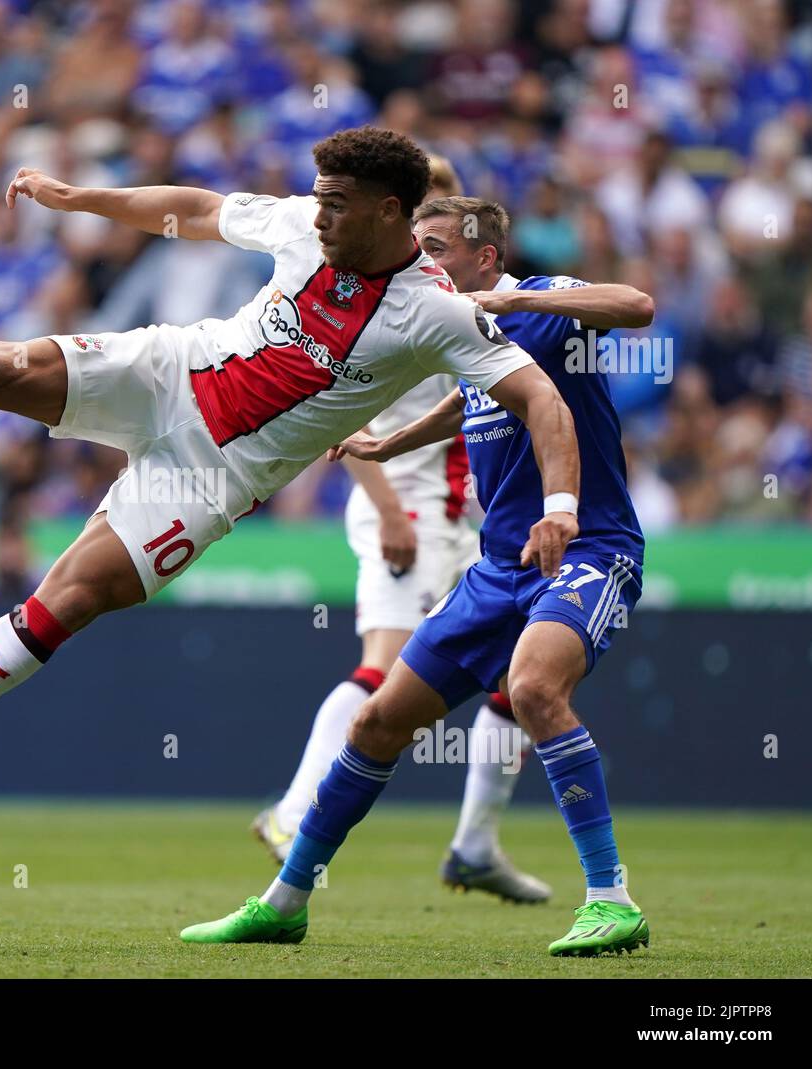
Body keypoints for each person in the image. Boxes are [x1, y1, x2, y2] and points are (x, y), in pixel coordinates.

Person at [0, 128, 580, 879]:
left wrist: (563, 505)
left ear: (392, 211)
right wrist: (78, 196)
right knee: (3, 367)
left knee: (69, 601)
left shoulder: (436, 312)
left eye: (339, 206)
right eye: (318, 201)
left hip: (211, 479)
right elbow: (197, 210)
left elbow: (542, 396)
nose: (318, 217)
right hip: (169, 372)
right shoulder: (302, 226)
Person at [183, 195, 653, 957]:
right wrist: (393, 441)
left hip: (589, 550)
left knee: (533, 689)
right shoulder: (460, 334)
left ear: (486, 258)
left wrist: (516, 297)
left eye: (436, 247)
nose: (424, 261)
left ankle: (610, 898)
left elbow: (636, 304)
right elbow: (473, 401)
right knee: (377, 723)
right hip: (498, 567)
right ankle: (284, 902)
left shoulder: (540, 304)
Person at [251, 161, 551, 904]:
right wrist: (386, 508)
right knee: (385, 668)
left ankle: (476, 843)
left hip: (455, 514)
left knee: (517, 670)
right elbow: (341, 409)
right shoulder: (367, 293)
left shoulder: (443, 296)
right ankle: (293, 813)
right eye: (423, 220)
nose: (430, 235)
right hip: (405, 507)